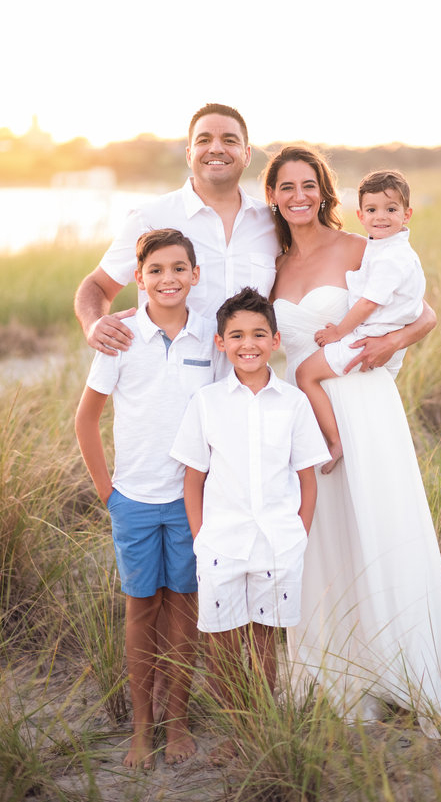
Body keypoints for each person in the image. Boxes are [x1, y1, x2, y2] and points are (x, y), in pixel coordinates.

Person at [265, 146, 441, 738]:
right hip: (308, 410)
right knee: (324, 535)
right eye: (285, 187)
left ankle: (405, 666)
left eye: (308, 184)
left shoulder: (361, 246)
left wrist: (389, 343)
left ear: (324, 191)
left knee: (379, 526)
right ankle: (342, 674)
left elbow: (422, 312)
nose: (298, 195)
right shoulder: (270, 263)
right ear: (273, 195)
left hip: (363, 404)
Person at [75, 229, 225, 769]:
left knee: (184, 606)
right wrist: (107, 493)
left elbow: (226, 411)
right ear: (138, 279)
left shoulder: (212, 338)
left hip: (191, 502)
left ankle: (178, 720)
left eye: (179, 269)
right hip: (133, 500)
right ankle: (142, 727)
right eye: (156, 270)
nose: (168, 279)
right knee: (142, 607)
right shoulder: (120, 336)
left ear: (195, 276)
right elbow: (86, 419)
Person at [170, 287, 329, 760]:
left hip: (278, 541)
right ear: (220, 344)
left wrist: (298, 533)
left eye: (259, 334)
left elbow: (307, 479)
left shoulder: (294, 403)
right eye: (236, 335)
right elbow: (192, 479)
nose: (248, 343)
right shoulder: (207, 402)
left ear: (275, 340)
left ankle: (261, 728)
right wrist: (201, 539)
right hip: (221, 541)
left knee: (265, 639)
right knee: (222, 642)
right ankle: (235, 729)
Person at [74, 103, 279, 355]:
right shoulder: (150, 217)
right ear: (189, 154)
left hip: (245, 388)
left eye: (229, 140)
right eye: (204, 140)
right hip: (170, 384)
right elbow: (97, 285)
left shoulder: (273, 223)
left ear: (246, 155)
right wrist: (93, 324)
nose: (216, 148)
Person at [295, 169, 425, 473]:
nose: (381, 217)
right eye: (372, 210)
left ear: (407, 214)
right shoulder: (383, 248)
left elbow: (369, 303)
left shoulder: (391, 258)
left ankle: (336, 440)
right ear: (360, 214)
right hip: (368, 334)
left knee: (304, 375)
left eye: (391, 210)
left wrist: (339, 332)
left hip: (363, 339)